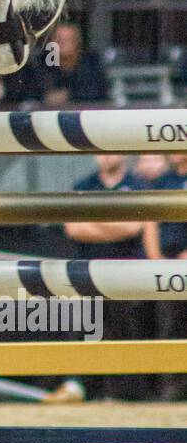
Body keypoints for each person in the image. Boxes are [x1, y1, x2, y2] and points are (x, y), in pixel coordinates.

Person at [65, 154, 151, 400]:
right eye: (100, 151)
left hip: (129, 276)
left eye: (110, 149)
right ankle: (86, 391)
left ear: (122, 152)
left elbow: (134, 227)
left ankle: (127, 395)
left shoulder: (137, 185)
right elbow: (74, 229)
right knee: (88, 332)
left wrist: (94, 221)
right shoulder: (83, 186)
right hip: (88, 274)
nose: (105, 156)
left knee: (127, 333)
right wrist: (116, 225)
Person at [143, 153, 187, 400]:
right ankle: (170, 389)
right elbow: (150, 221)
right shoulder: (163, 181)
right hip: (165, 264)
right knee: (168, 325)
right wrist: (155, 258)